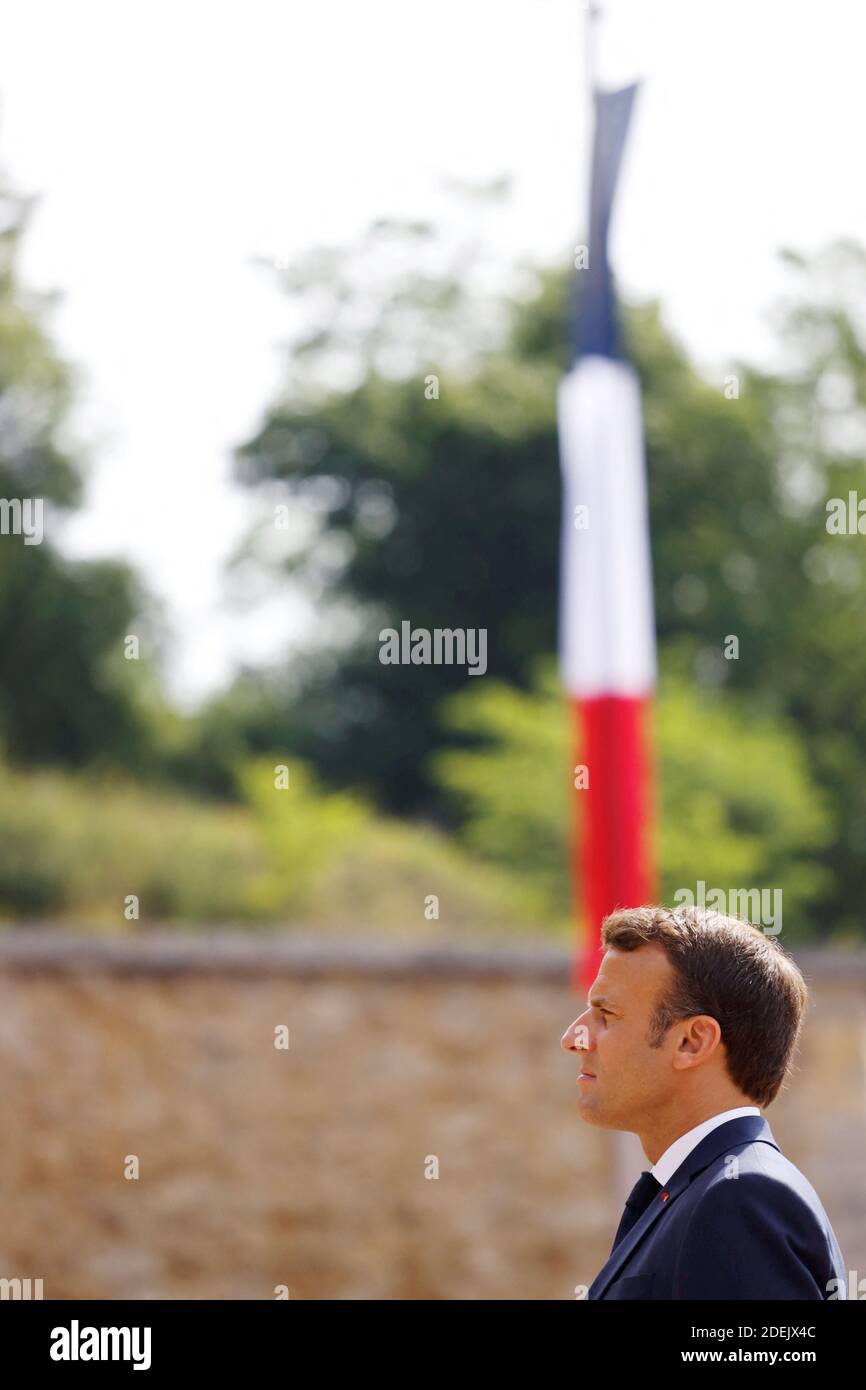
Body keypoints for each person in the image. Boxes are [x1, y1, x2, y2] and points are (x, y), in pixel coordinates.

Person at [560, 904, 847, 1300]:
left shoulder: (740, 1197)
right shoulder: (705, 1192)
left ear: (692, 1042)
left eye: (607, 1014)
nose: (573, 1037)